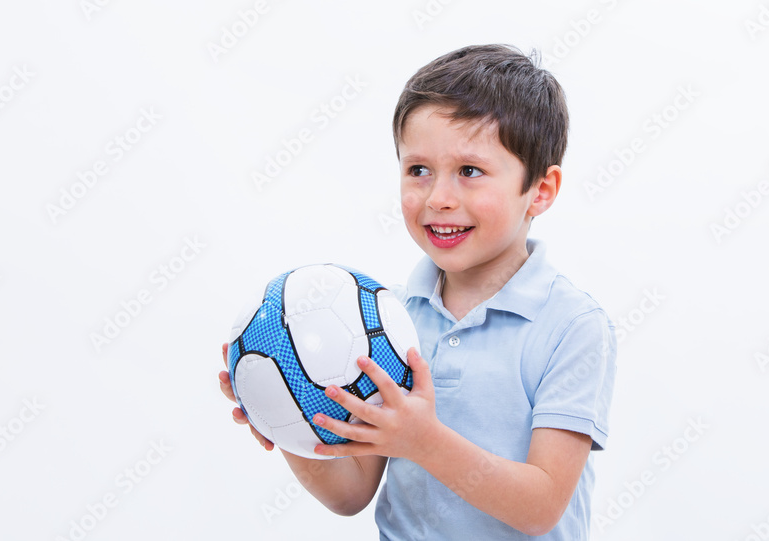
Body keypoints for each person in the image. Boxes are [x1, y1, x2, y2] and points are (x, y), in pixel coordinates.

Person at [219, 43, 616, 539]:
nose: (439, 198)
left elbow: (541, 506)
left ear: (541, 189)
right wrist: (289, 415)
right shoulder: (387, 320)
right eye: (418, 170)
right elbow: (351, 495)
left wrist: (424, 442)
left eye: (470, 172)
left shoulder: (571, 326)